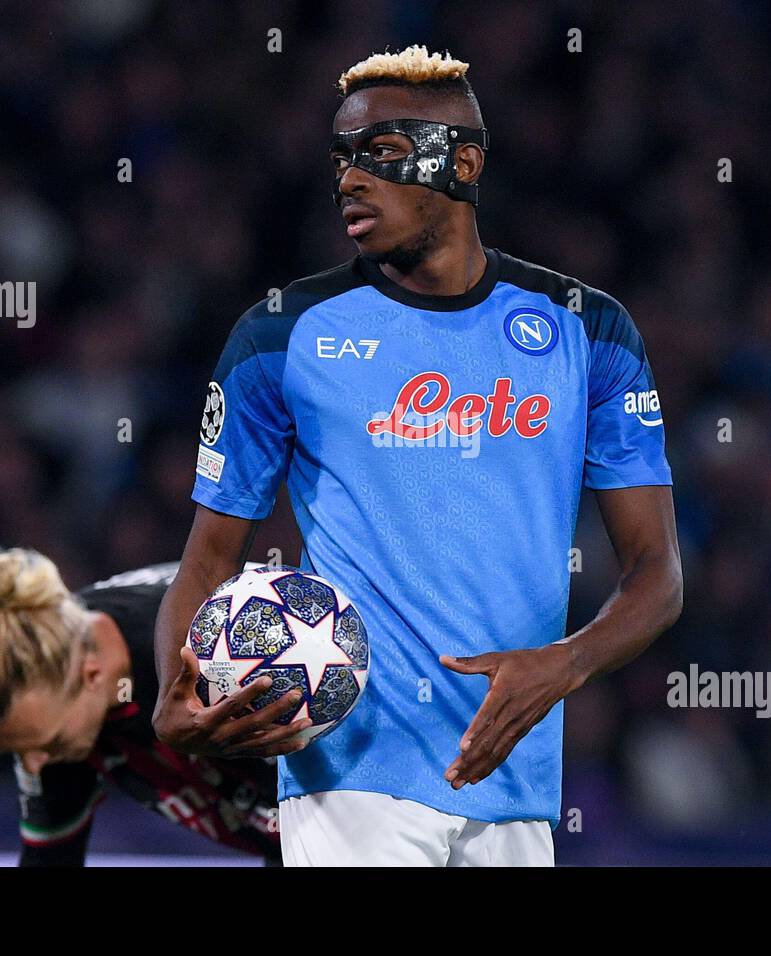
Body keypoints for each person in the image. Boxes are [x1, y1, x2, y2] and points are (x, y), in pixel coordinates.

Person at [152, 44, 683, 866]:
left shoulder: (589, 332)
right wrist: (170, 695)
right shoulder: (279, 337)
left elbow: (658, 574)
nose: (350, 179)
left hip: (515, 783)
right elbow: (208, 558)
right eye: (341, 160)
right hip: (350, 775)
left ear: (464, 162)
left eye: (383, 154)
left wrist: (565, 664)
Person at [0, 549, 295, 865]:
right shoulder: (56, 675)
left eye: (46, 744)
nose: (34, 765)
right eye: (19, 750)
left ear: (92, 673)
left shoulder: (214, 657)